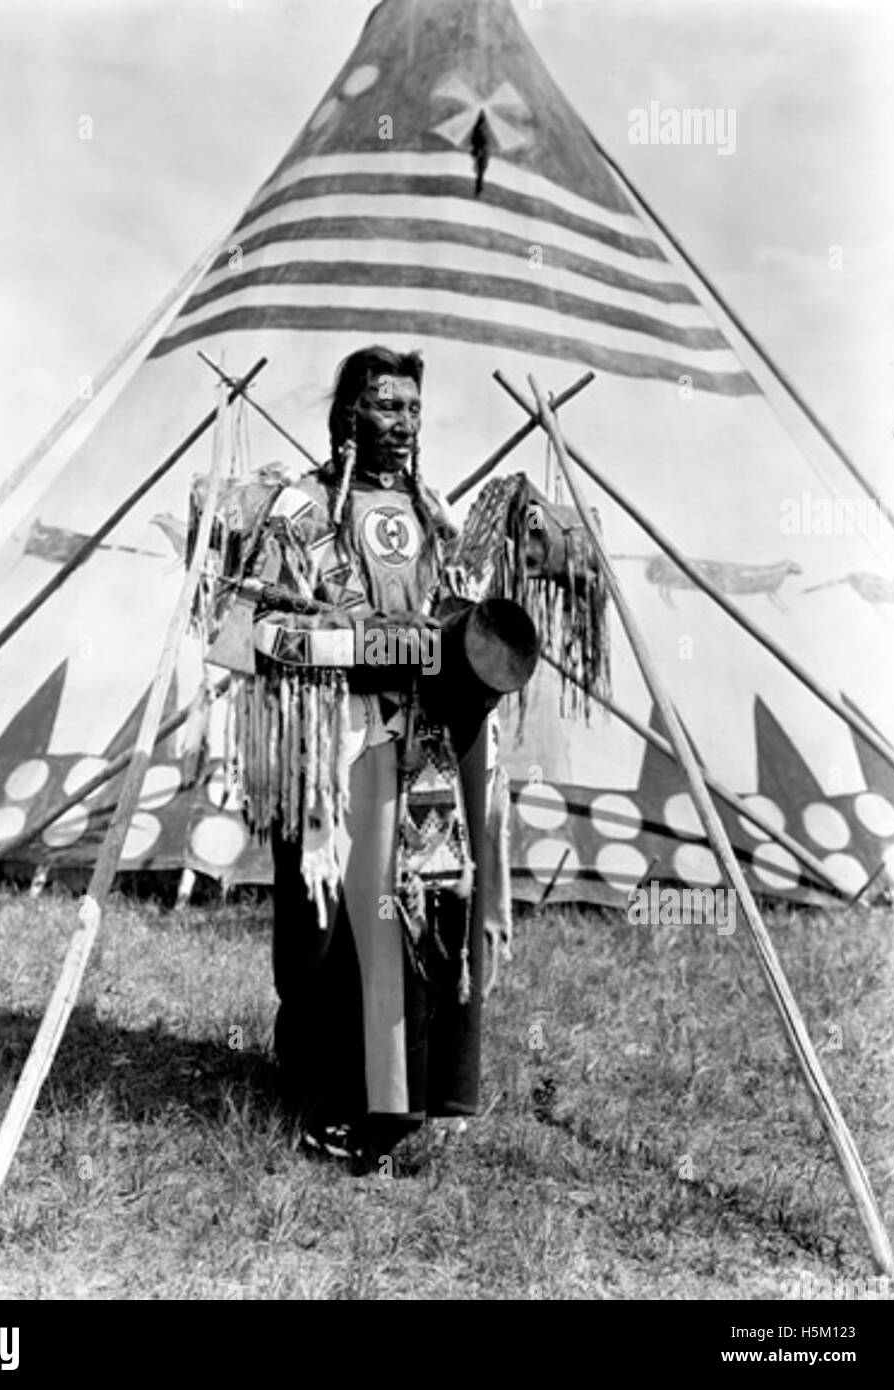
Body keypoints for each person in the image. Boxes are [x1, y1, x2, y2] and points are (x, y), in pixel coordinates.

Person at [194, 345, 607, 1165]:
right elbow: (245, 636)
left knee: (423, 907)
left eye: (413, 408)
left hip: (424, 744)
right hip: (334, 742)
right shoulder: (303, 510)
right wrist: (368, 643)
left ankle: (404, 1093)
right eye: (386, 406)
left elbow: (462, 605)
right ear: (350, 412)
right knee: (329, 924)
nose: (403, 422)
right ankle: (324, 1089)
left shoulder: (435, 512)